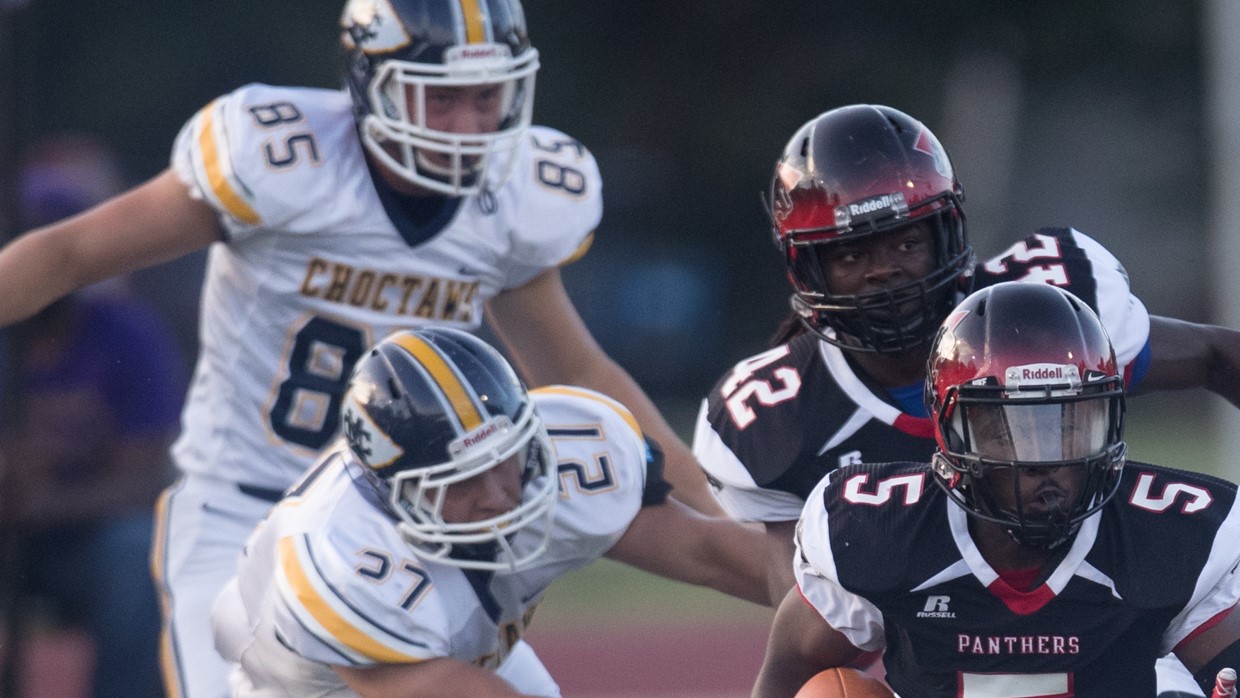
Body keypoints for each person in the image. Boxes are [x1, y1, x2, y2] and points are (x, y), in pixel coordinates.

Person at [0, 1, 731, 696]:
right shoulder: (282, 159)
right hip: (248, 517)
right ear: (370, 82)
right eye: (439, 98)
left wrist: (712, 507)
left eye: (487, 96)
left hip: (423, 523)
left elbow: (576, 369)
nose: (469, 125)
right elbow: (69, 255)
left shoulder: (516, 198)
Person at [691, 104, 1240, 696]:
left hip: (1105, 583)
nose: (883, 273)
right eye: (850, 255)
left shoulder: (1045, 322)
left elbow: (1216, 355)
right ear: (807, 264)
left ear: (946, 231)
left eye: (906, 242)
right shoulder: (779, 422)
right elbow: (819, 627)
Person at [211, 327, 768, 697]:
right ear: (397, 491)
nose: (499, 494)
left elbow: (707, 552)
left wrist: (818, 596)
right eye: (462, 480)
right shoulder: (339, 556)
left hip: (468, 656)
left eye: (506, 459)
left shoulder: (559, 453)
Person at [749, 282, 1240, 697]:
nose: (1045, 460)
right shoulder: (878, 531)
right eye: (1011, 429)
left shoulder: (1175, 536)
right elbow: (789, 671)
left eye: (1070, 425)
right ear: (950, 429)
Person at [0, 134, 186, 697]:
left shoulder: (128, 335)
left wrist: (44, 502)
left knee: (137, 547)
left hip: (79, 535)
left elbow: (143, 478)